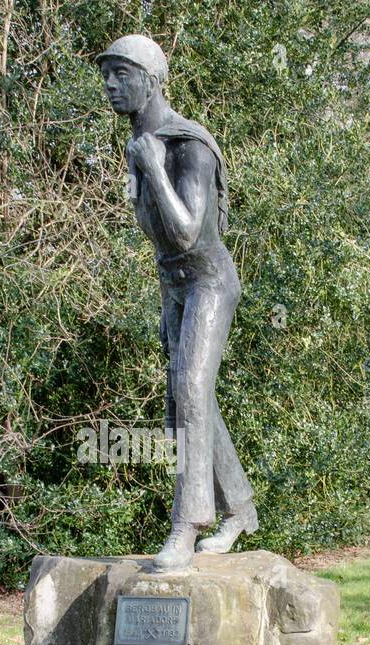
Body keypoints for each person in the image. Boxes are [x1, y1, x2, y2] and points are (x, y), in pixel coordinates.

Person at [97, 34, 259, 572]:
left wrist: (153, 168)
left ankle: (187, 525)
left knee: (190, 386)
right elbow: (157, 235)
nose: (111, 85)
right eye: (107, 74)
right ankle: (239, 510)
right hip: (174, 284)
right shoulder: (138, 143)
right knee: (190, 397)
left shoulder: (186, 144)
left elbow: (188, 232)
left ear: (151, 78)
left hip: (209, 280)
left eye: (122, 73)